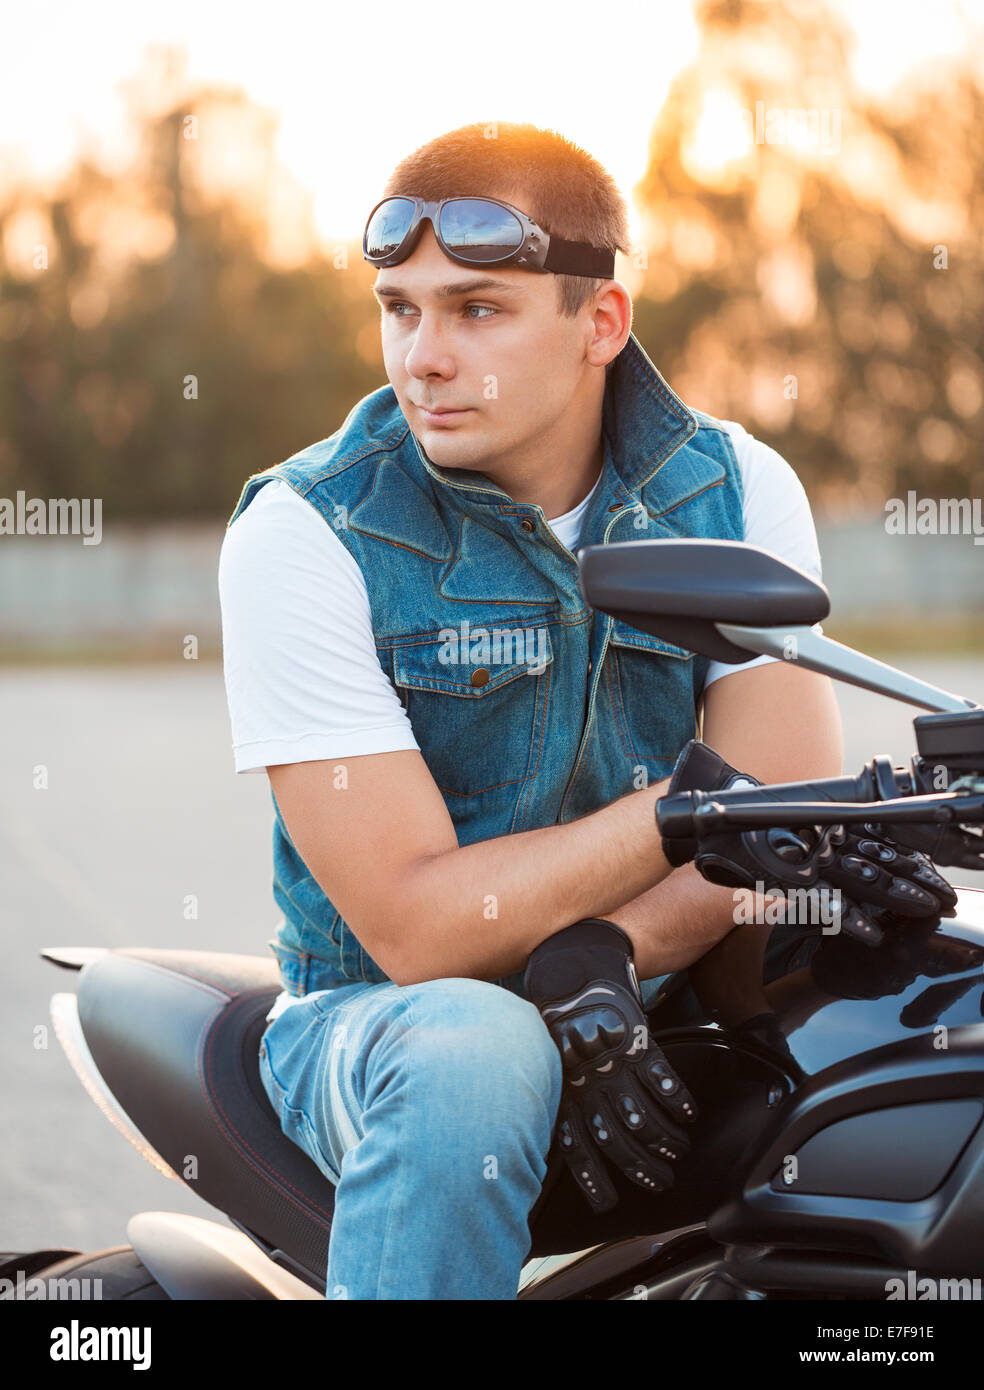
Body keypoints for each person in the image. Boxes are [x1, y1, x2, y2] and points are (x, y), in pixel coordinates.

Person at [217, 120, 844, 1299]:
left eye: (478, 309)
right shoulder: (305, 535)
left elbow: (777, 830)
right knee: (476, 1047)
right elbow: (414, 927)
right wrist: (669, 817)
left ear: (599, 323)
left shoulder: (740, 489)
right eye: (400, 309)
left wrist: (611, 945)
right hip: (384, 1022)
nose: (423, 358)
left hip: (665, 992)